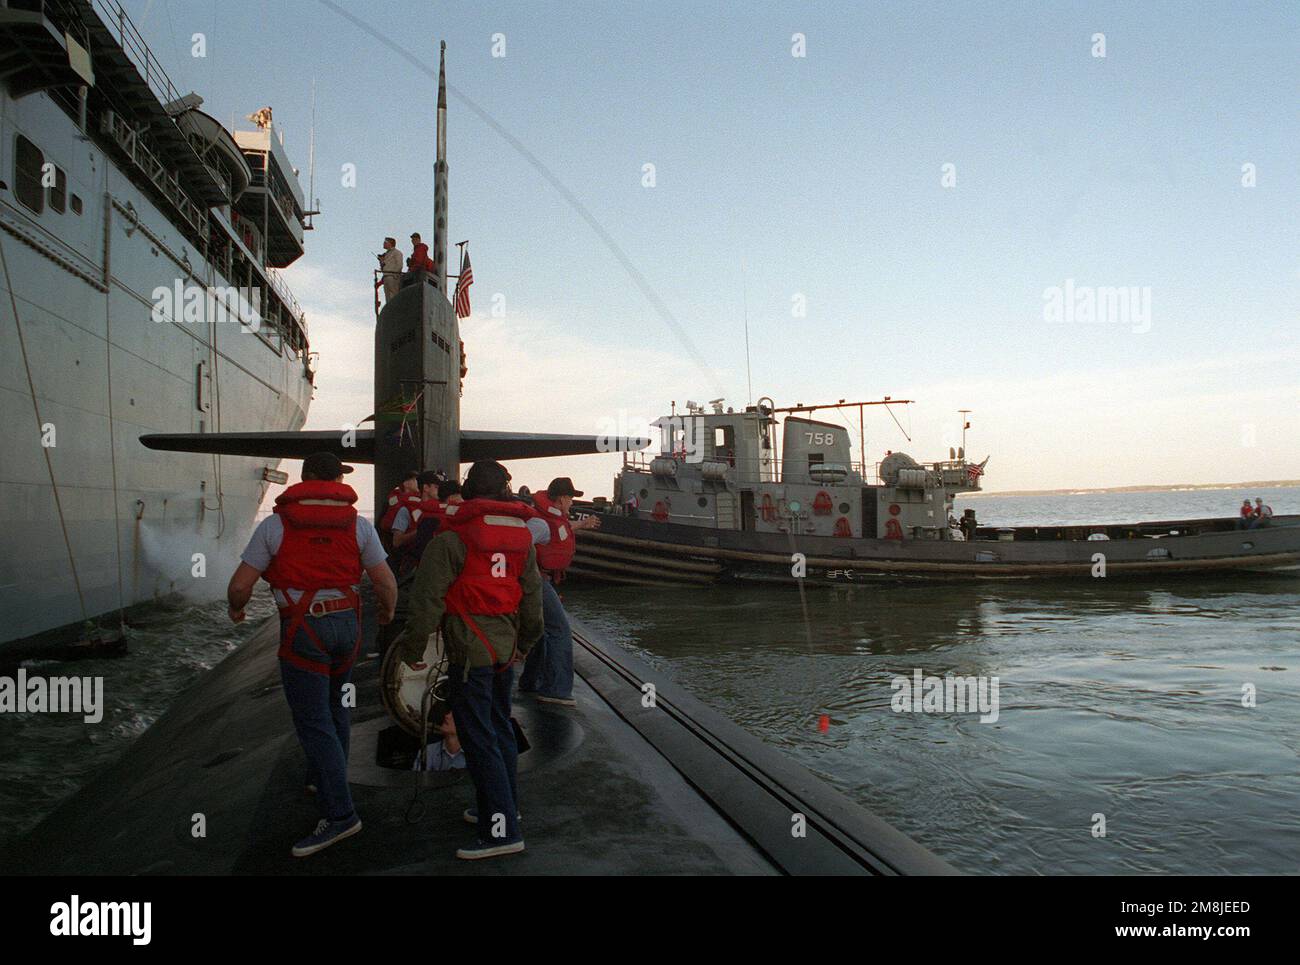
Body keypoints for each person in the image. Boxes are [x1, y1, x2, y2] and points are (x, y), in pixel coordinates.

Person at [226, 452, 397, 858]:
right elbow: (385, 582)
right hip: (347, 629)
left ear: (304, 479)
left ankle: (341, 815)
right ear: (338, 481)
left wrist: (237, 608)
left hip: (304, 630)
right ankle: (324, 778)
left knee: (313, 721)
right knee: (337, 708)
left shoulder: (275, 525)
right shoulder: (357, 525)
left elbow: (239, 585)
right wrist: (387, 613)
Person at [400, 461, 543, 860]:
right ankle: (501, 808)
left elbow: (426, 601)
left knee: (479, 739)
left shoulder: (450, 540)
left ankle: (501, 832)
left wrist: (412, 652)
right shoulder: (522, 541)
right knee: (499, 730)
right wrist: (525, 644)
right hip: (503, 652)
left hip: (469, 654)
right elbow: (533, 601)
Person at [519, 477, 600, 707]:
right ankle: (557, 690)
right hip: (537, 580)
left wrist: (582, 525)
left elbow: (556, 532)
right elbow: (520, 542)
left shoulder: (551, 519)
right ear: (562, 498)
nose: (572, 503)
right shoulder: (540, 523)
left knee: (543, 631)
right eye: (571, 498)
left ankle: (531, 680)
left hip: (541, 579)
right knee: (560, 630)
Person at [412, 707, 466, 772]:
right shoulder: (428, 751)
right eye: (448, 713)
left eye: (454, 715)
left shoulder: (475, 754)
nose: (447, 716)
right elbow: (418, 780)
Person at [376, 237, 403, 303]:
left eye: (385, 242)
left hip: (392, 277)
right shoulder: (387, 254)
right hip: (386, 277)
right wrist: (382, 263)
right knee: (388, 297)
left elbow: (399, 265)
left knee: (393, 295)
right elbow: (384, 268)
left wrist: (395, 276)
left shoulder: (397, 253)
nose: (384, 244)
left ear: (390, 244)